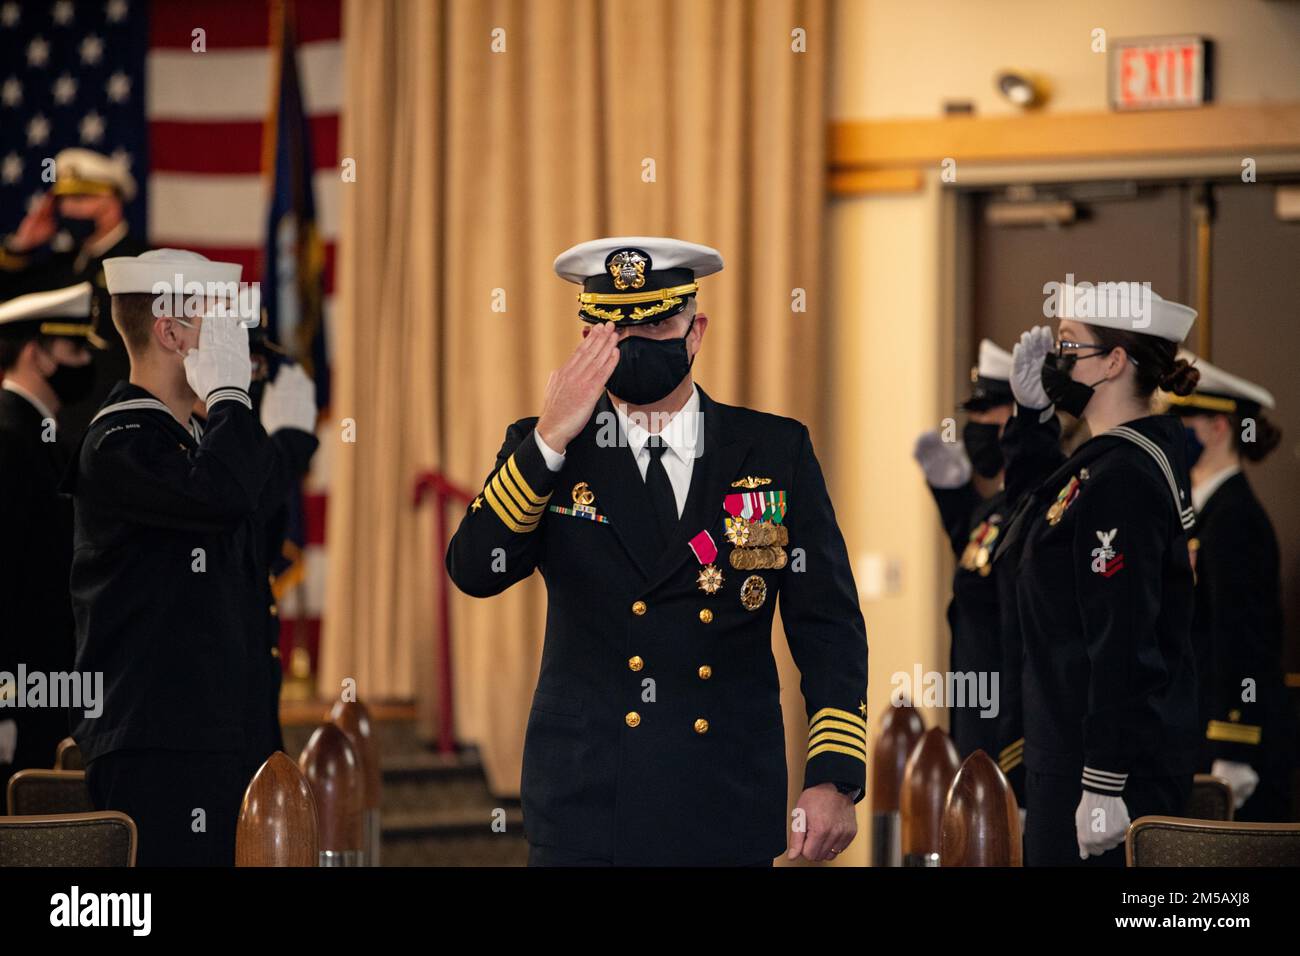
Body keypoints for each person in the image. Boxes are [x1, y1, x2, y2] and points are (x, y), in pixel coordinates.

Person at [446, 237, 869, 866]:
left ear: (694, 332)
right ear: (586, 338)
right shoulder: (548, 451)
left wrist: (834, 776)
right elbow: (476, 570)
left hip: (724, 798)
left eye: (655, 322)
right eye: (611, 329)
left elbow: (828, 624)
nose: (632, 343)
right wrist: (551, 435)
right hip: (588, 802)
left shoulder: (773, 451)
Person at [63, 249, 314, 866]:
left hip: (215, 731)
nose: (234, 331)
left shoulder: (191, 439)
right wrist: (231, 395)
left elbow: (251, 532)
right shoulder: (121, 439)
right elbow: (222, 496)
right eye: (216, 315)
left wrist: (270, 433)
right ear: (171, 332)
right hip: (158, 743)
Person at [999, 286, 1201, 866]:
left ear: (1114, 362)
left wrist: (1105, 781)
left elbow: (1122, 637)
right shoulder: (1101, 463)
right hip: (1066, 751)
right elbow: (1027, 532)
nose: (1055, 361)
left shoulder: (1125, 475)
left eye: (1069, 346)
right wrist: (1032, 418)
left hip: (1105, 768)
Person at [1168, 353, 1296, 821]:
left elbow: (1244, 639)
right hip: (1196, 733)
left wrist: (1233, 742)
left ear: (1219, 427)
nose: (1174, 435)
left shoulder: (1235, 517)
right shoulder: (1204, 513)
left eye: (1184, 420)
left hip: (1230, 747)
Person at [0, 283, 98, 787]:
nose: (85, 363)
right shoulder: (8, 437)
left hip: (50, 691)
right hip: (19, 695)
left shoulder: (42, 436)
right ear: (36, 354)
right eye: (75, 349)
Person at [0, 149, 148, 443]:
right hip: (57, 418)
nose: (69, 210)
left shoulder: (140, 263)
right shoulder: (62, 263)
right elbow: (10, 305)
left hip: (111, 422)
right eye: (64, 200)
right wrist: (21, 248)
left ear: (113, 200)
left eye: (81, 199)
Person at [913, 340, 1015, 762]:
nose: (973, 425)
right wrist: (953, 493)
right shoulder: (995, 507)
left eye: (983, 413)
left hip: (1013, 733)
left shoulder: (1041, 503)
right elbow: (975, 566)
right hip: (979, 717)